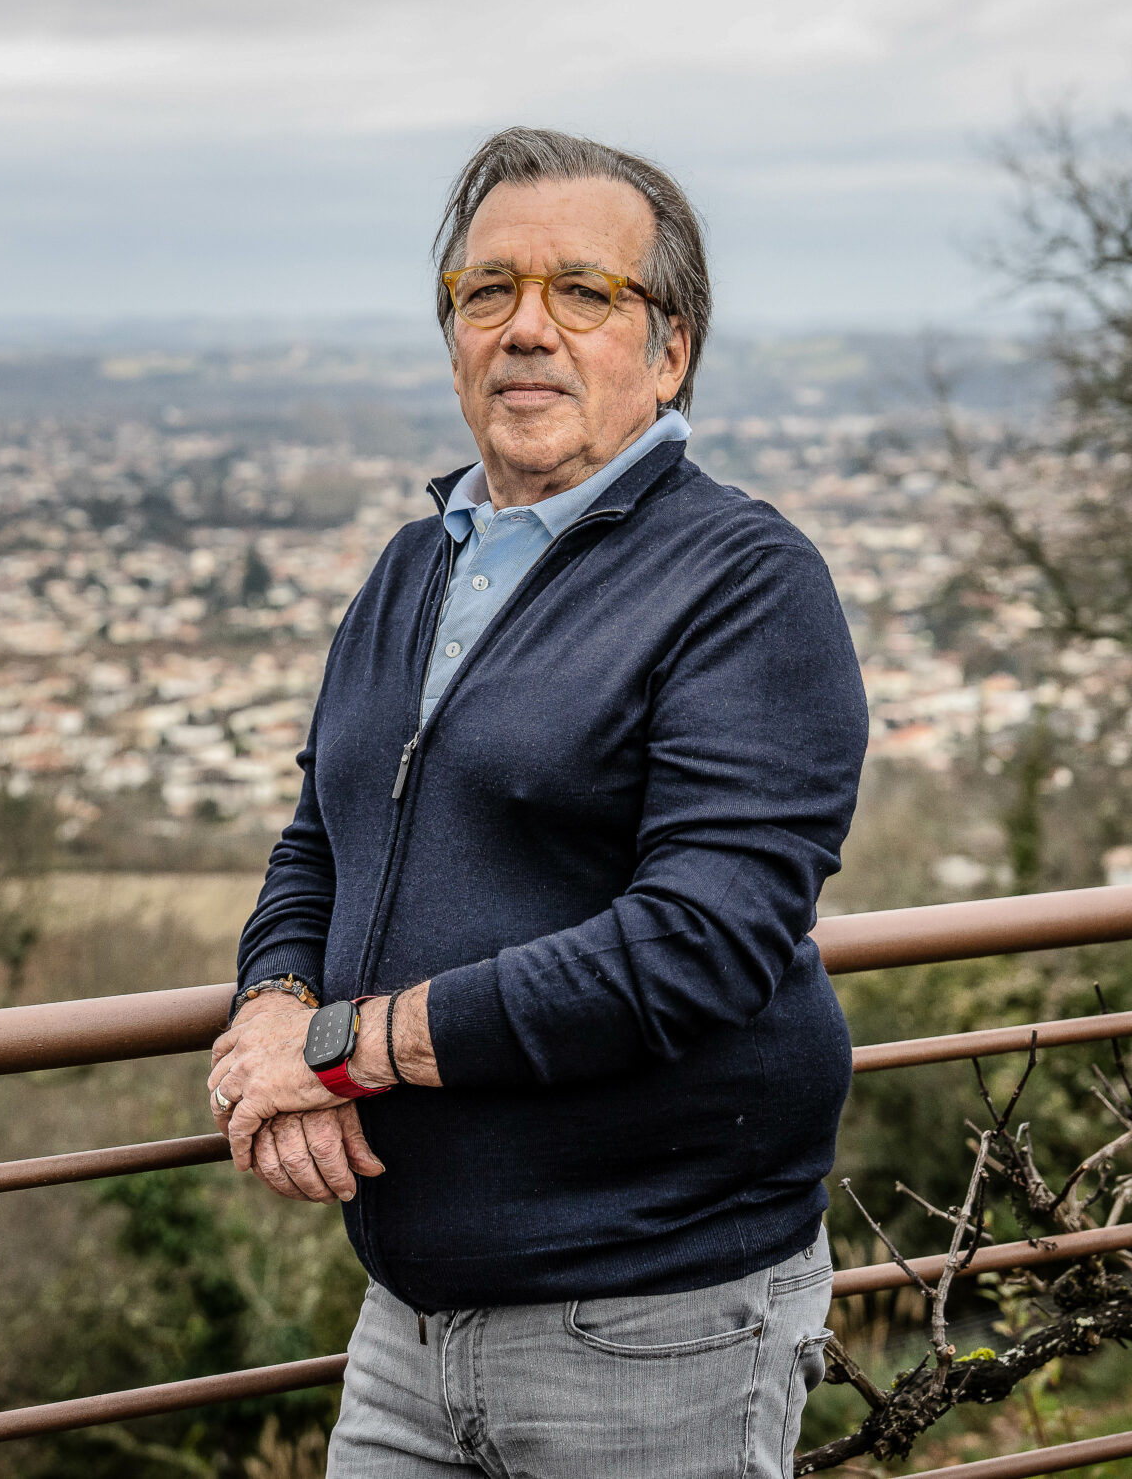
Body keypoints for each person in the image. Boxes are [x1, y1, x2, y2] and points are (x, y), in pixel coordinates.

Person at [207, 127, 868, 1477]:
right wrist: (274, 1000)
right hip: (408, 1319)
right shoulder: (413, 568)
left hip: (653, 1317)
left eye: (583, 292)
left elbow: (698, 945)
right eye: (484, 292)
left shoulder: (743, 584)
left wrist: (339, 1051)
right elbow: (322, 836)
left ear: (669, 349)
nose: (525, 331)